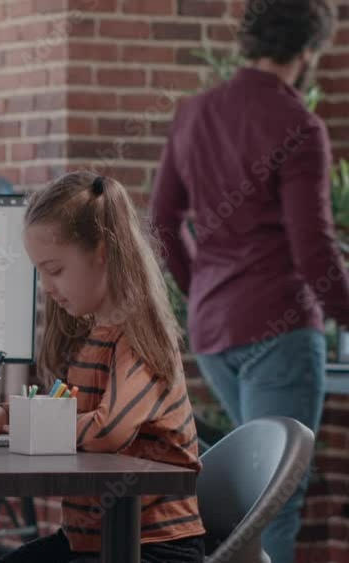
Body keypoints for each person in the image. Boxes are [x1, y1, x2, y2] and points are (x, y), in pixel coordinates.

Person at [149, 2, 340, 561]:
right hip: (277, 331)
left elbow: (162, 222)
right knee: (275, 497)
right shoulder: (299, 125)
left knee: (255, 486)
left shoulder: (193, 113)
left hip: (215, 334)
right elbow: (314, 250)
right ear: (306, 52)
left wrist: (201, 289)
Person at [0, 172, 205, 562]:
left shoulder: (139, 336)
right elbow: (68, 410)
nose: (45, 285)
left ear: (103, 254)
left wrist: (23, 423)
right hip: (92, 539)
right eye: (39, 272)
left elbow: (109, 429)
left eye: (55, 270)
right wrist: (2, 416)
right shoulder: (91, 333)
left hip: (154, 547)